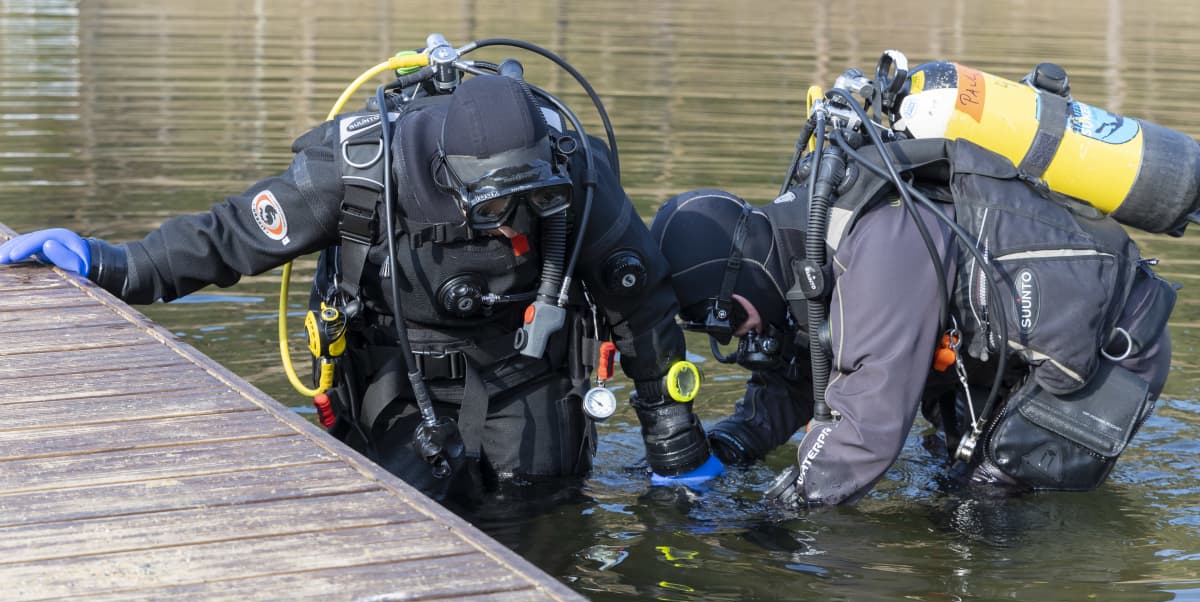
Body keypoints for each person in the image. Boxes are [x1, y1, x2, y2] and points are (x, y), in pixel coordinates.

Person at [0, 68, 723, 501]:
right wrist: (114, 264)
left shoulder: (578, 176)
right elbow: (230, 238)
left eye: (529, 204)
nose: (514, 227)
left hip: (527, 369)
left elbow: (644, 306)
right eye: (495, 209)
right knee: (402, 497)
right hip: (392, 366)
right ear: (447, 179)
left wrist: (673, 437)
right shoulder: (358, 175)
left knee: (537, 507)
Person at [650, 135, 1176, 507]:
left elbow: (871, 417)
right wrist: (730, 445)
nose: (733, 339)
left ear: (742, 277)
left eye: (722, 322)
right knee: (949, 469)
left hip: (1108, 351)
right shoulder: (810, 246)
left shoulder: (878, 243)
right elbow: (798, 377)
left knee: (980, 502)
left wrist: (787, 506)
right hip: (1011, 358)